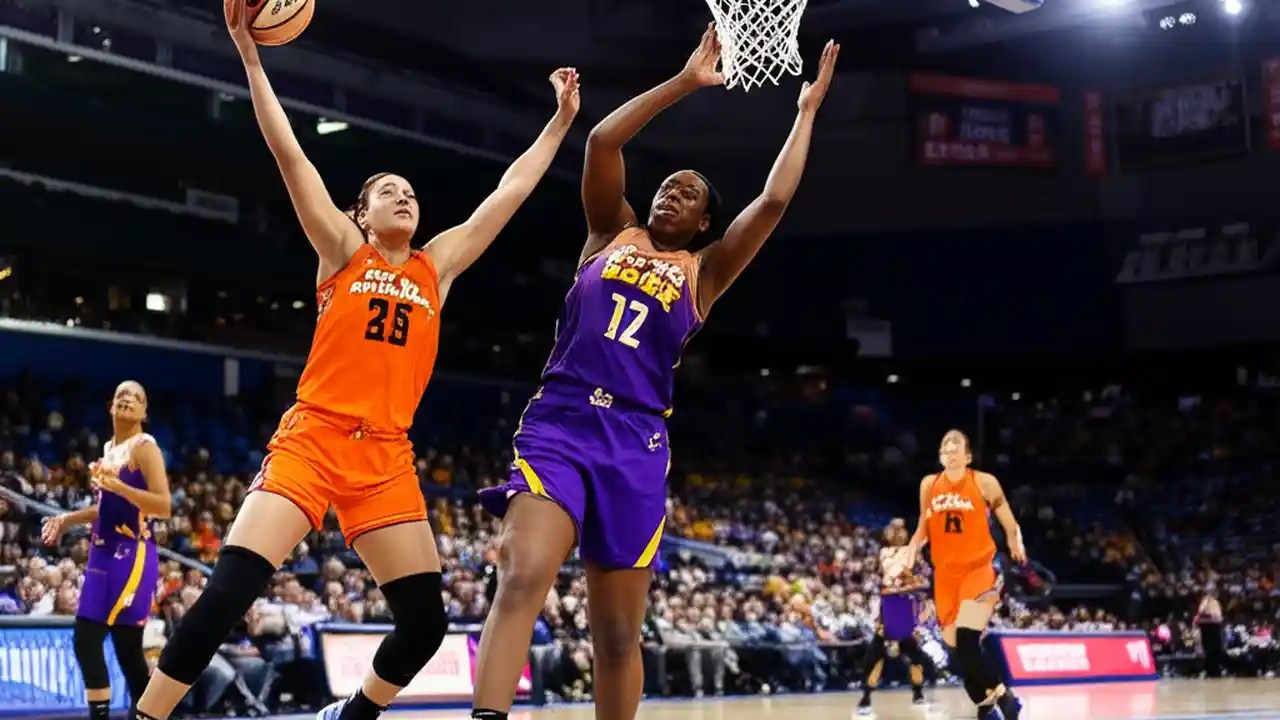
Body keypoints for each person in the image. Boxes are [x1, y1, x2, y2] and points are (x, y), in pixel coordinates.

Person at [130, 3, 580, 720]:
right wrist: (251, 58)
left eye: (411, 192)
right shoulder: (343, 251)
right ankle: (146, 715)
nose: (404, 196)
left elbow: (510, 193)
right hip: (314, 439)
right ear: (362, 214)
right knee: (226, 596)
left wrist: (558, 122)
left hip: (386, 459)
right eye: (387, 192)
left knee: (426, 625)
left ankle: (351, 715)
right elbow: (290, 156)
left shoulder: (438, 266)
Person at [472, 25, 839, 720]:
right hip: (563, 420)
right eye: (669, 184)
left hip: (636, 443)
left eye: (689, 192)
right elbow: (604, 143)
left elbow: (773, 204)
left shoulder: (705, 273)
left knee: (617, 634)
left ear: (705, 222)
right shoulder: (610, 231)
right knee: (521, 577)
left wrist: (807, 113)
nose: (672, 192)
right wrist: (683, 82)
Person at [42, 381, 171, 720]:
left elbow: (163, 505)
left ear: (144, 412)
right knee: (108, 645)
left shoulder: (145, 448)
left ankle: (148, 713)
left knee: (106, 643)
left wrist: (119, 486)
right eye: (120, 395)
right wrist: (67, 519)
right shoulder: (110, 448)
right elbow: (107, 507)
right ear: (111, 407)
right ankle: (143, 714)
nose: (127, 398)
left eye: (136, 396)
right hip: (102, 551)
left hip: (131, 553)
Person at [903, 430, 1025, 720]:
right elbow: (924, 522)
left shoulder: (984, 482)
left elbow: (1006, 514)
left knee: (967, 638)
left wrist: (1014, 539)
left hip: (979, 570)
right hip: (944, 575)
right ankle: (985, 706)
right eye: (945, 444)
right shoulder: (929, 484)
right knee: (959, 649)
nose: (950, 447)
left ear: (967, 456)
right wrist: (912, 547)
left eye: (956, 444)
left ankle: (1004, 696)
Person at [856, 519, 930, 716]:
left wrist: (909, 584)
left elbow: (924, 581)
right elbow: (878, 579)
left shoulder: (913, 552)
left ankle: (918, 694)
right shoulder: (882, 554)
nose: (896, 533)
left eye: (900, 530)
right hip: (887, 604)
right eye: (892, 529)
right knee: (875, 655)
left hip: (905, 603)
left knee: (915, 654)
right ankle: (865, 698)